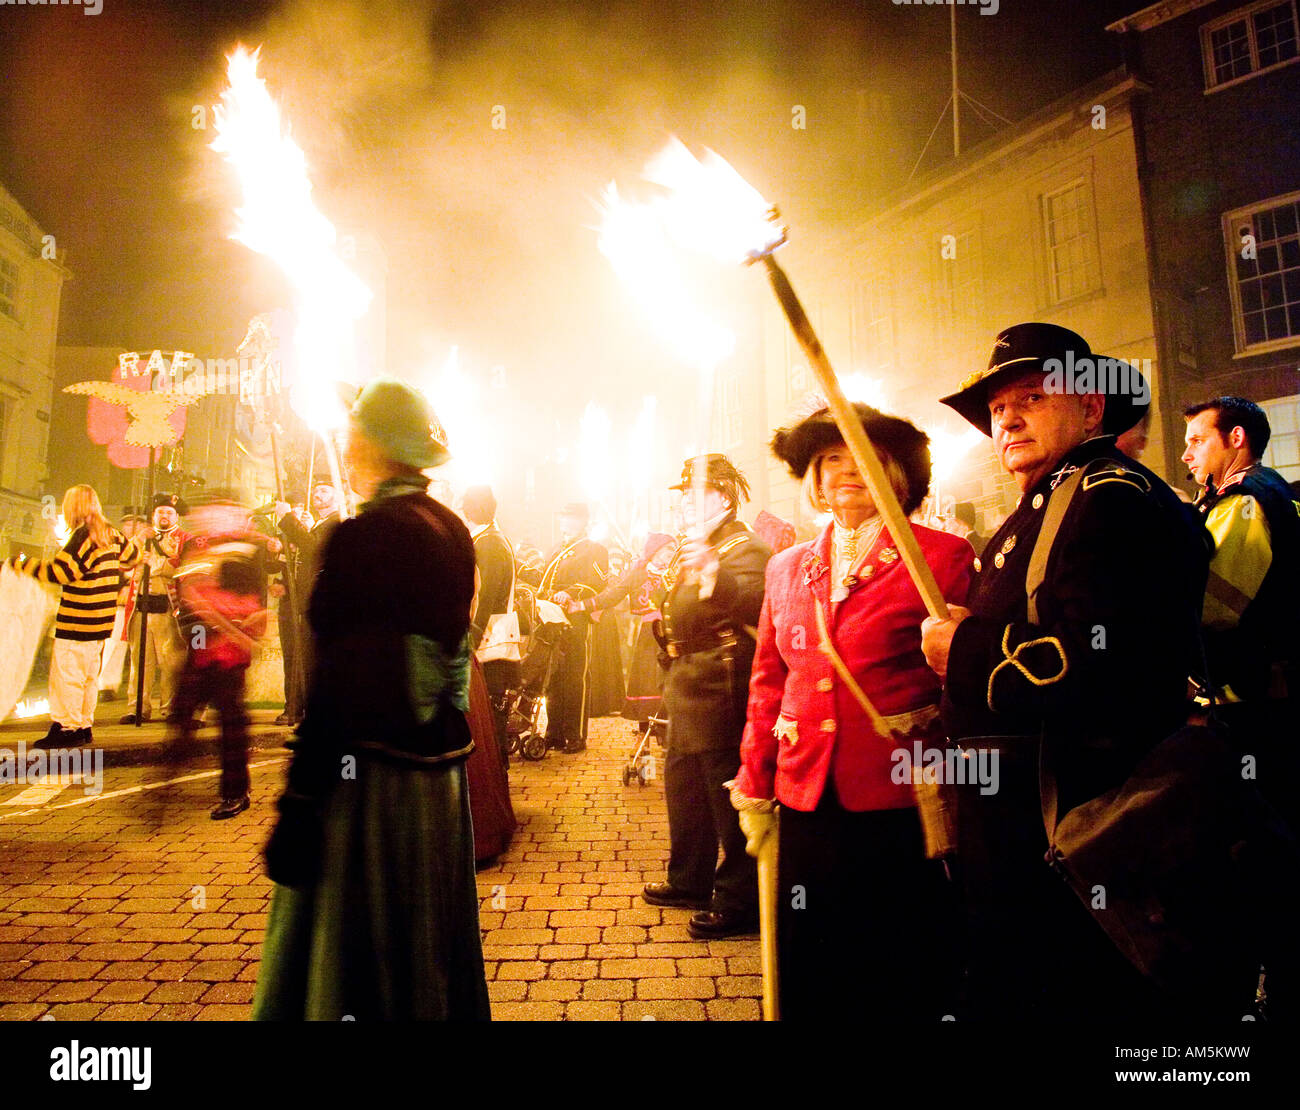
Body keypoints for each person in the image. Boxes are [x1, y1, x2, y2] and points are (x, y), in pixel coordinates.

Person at [920, 322, 1210, 1021]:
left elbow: (1102, 665)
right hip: (1027, 832)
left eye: (1031, 396)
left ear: (1091, 407)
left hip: (1078, 832)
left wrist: (963, 651)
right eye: (996, 408)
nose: (1008, 418)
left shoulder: (1108, 497)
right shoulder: (1053, 498)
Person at [254, 377, 490, 1021]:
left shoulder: (367, 537)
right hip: (437, 779)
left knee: (356, 948)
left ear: (378, 445)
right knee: (425, 937)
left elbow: (338, 683)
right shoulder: (451, 529)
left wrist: (301, 798)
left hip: (371, 780)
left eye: (357, 435)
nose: (348, 446)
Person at [730, 405, 975, 1019]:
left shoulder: (941, 557)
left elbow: (963, 685)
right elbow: (768, 684)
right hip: (806, 795)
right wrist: (756, 787)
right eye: (829, 458)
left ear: (897, 472)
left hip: (899, 802)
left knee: (895, 969)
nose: (846, 470)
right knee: (814, 965)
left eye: (865, 455)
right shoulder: (785, 566)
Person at [643, 454, 770, 939]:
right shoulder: (697, 544)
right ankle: (689, 879)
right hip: (686, 679)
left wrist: (716, 572)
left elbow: (755, 605)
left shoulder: (744, 547)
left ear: (723, 497)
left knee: (725, 795)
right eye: (683, 496)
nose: (684, 505)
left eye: (695, 495)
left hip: (720, 683)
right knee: (685, 790)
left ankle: (740, 899)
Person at [1182, 396, 1300, 832]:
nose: (1186, 453)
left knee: (1257, 835)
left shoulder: (1241, 503)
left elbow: (1210, 611)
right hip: (1270, 697)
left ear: (1236, 438)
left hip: (1247, 705)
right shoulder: (1273, 489)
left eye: (1197, 440)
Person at [6, 485, 143, 747]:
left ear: (74, 507)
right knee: (89, 678)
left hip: (77, 620)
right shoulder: (112, 534)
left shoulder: (83, 537)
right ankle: (83, 725)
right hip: (101, 623)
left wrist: (21, 564)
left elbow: (61, 572)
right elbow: (133, 557)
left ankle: (66, 727)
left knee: (67, 677)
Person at [169, 491, 271, 819]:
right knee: (182, 713)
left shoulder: (251, 547)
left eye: (221, 511)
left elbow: (255, 595)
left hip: (230, 648)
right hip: (199, 643)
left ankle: (235, 792)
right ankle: (164, 786)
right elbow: (185, 589)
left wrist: (240, 625)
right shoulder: (195, 545)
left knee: (230, 720)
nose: (211, 516)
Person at [566, 532, 676, 724]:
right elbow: (613, 594)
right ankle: (647, 729)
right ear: (656, 551)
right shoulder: (638, 573)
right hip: (651, 635)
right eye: (668, 549)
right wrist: (583, 605)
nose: (671, 553)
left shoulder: (677, 573)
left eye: (673, 550)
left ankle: (668, 728)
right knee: (648, 681)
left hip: (674, 635)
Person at [525, 503, 608, 754]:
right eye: (563, 518)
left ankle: (575, 735)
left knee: (574, 676)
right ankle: (554, 732)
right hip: (551, 619)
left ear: (583, 521)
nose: (566, 523)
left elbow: (598, 583)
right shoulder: (557, 549)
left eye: (571, 518)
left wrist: (570, 593)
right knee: (554, 677)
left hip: (576, 618)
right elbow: (543, 579)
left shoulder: (594, 549)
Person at [273, 481, 343, 725]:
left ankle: (311, 709)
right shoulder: (312, 525)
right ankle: (293, 705)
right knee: (293, 653)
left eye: (324, 490)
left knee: (308, 655)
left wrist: (288, 521)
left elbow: (314, 550)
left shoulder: (337, 524)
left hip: (316, 601)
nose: (317, 494)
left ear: (336, 496)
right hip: (294, 598)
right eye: (315, 490)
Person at [120, 493, 189, 724]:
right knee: (140, 663)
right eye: (161, 512)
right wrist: (139, 539)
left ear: (176, 515)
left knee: (169, 662)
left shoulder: (183, 538)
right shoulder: (141, 538)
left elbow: (181, 568)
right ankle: (138, 708)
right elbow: (124, 560)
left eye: (169, 513)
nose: (165, 516)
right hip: (140, 606)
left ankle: (170, 708)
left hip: (167, 608)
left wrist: (156, 562)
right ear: (153, 515)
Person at [463, 484, 520, 751]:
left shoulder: (489, 543)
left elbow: (484, 596)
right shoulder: (489, 539)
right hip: (491, 634)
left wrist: (472, 636)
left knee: (490, 706)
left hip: (490, 637)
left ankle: (498, 762)